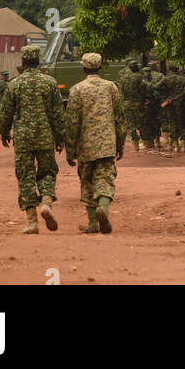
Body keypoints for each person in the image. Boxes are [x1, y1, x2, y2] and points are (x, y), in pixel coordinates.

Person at [0, 44, 65, 234]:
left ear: (23, 62)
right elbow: (58, 114)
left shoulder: (14, 84)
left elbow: (5, 114)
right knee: (48, 172)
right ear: (38, 61)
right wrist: (60, 138)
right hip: (45, 136)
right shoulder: (50, 83)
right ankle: (46, 203)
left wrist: (4, 134)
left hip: (23, 138)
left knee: (25, 176)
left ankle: (32, 221)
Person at [64, 52, 126, 234]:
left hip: (85, 146)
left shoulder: (76, 90)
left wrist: (70, 149)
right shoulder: (111, 87)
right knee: (105, 178)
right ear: (100, 67)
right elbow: (119, 117)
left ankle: (93, 222)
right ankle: (104, 210)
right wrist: (120, 143)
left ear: (83, 68)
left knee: (87, 181)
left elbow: (72, 122)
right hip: (107, 143)